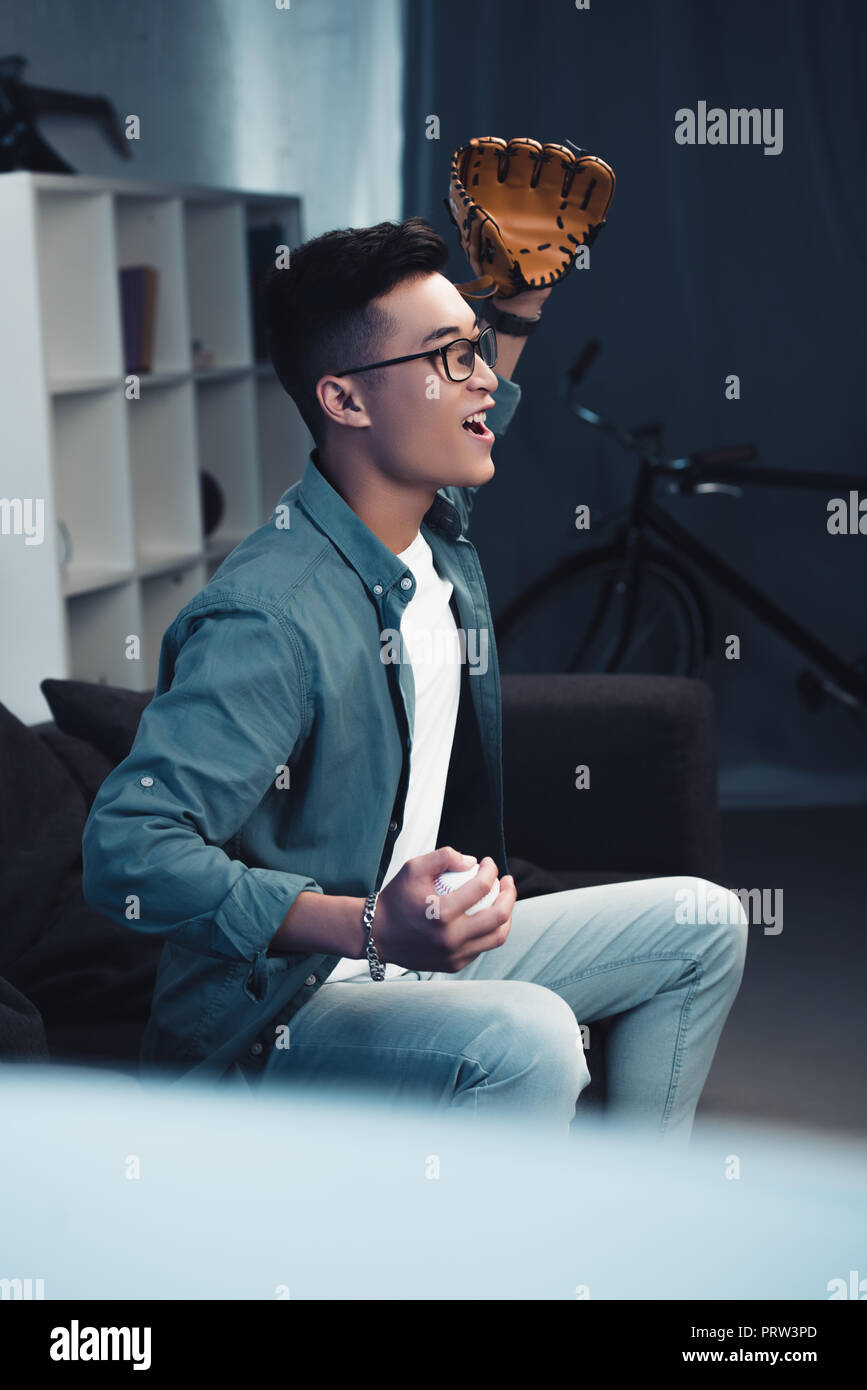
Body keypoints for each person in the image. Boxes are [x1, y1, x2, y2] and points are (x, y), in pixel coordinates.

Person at [81, 217, 747, 1142]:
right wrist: (367, 927)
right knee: (531, 1037)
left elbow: (475, 410)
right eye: (451, 356)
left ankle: (628, 1214)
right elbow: (125, 851)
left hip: (405, 963)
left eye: (477, 350)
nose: (485, 380)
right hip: (281, 1014)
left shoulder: (424, 524)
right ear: (345, 401)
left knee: (701, 921)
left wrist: (516, 305)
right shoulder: (267, 620)